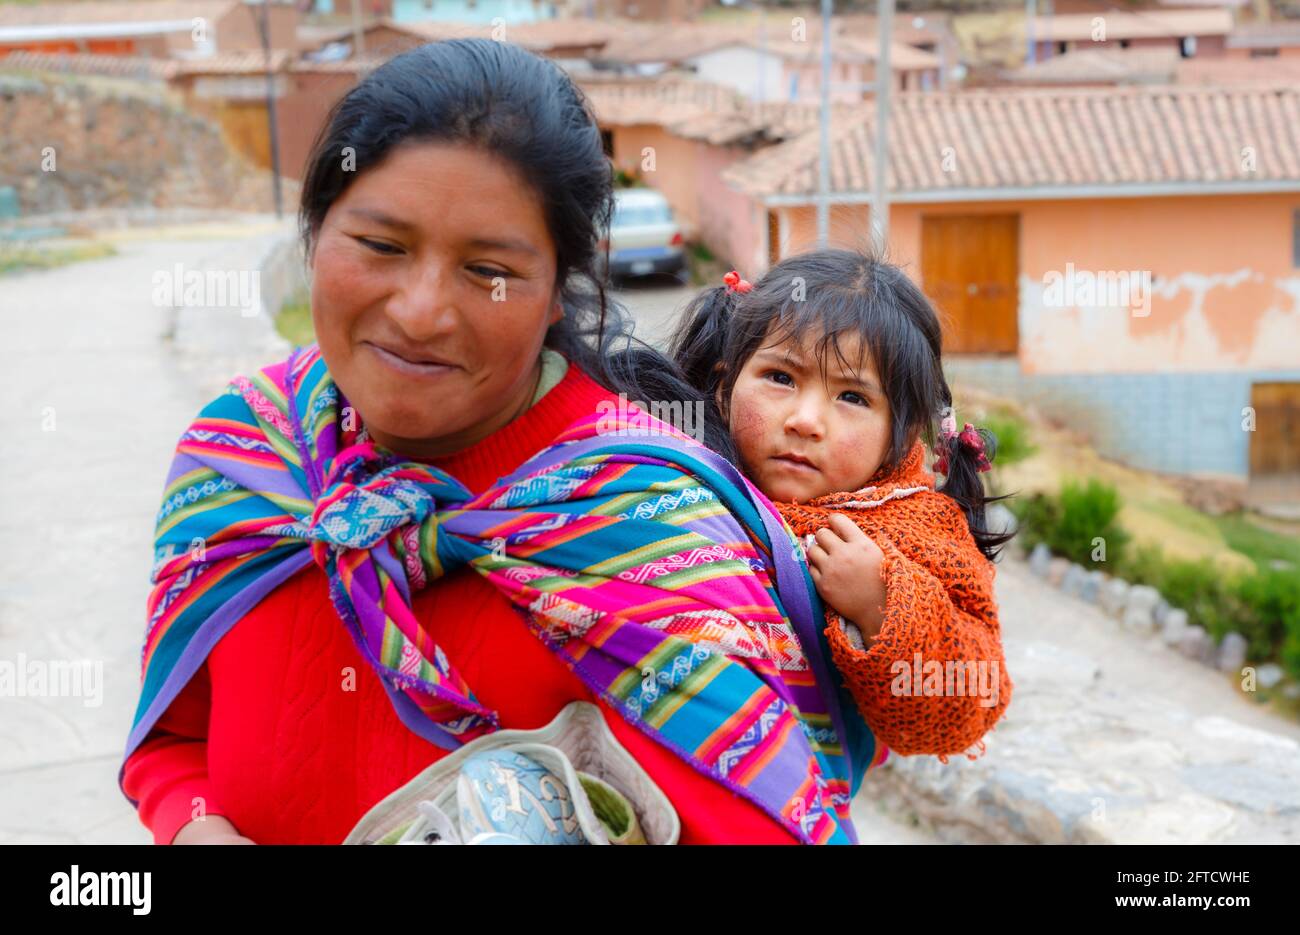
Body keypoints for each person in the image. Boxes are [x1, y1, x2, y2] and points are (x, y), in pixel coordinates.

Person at [119, 39, 879, 846]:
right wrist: (191, 826)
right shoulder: (243, 457)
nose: (419, 312)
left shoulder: (651, 530)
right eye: (380, 246)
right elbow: (172, 740)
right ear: (314, 234)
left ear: (560, 292)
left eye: (488, 270)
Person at [671, 251, 1015, 761]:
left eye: (853, 397)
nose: (806, 420)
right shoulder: (670, 478)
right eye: (781, 378)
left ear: (899, 435)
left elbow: (971, 702)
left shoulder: (914, 530)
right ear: (726, 384)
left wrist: (881, 604)